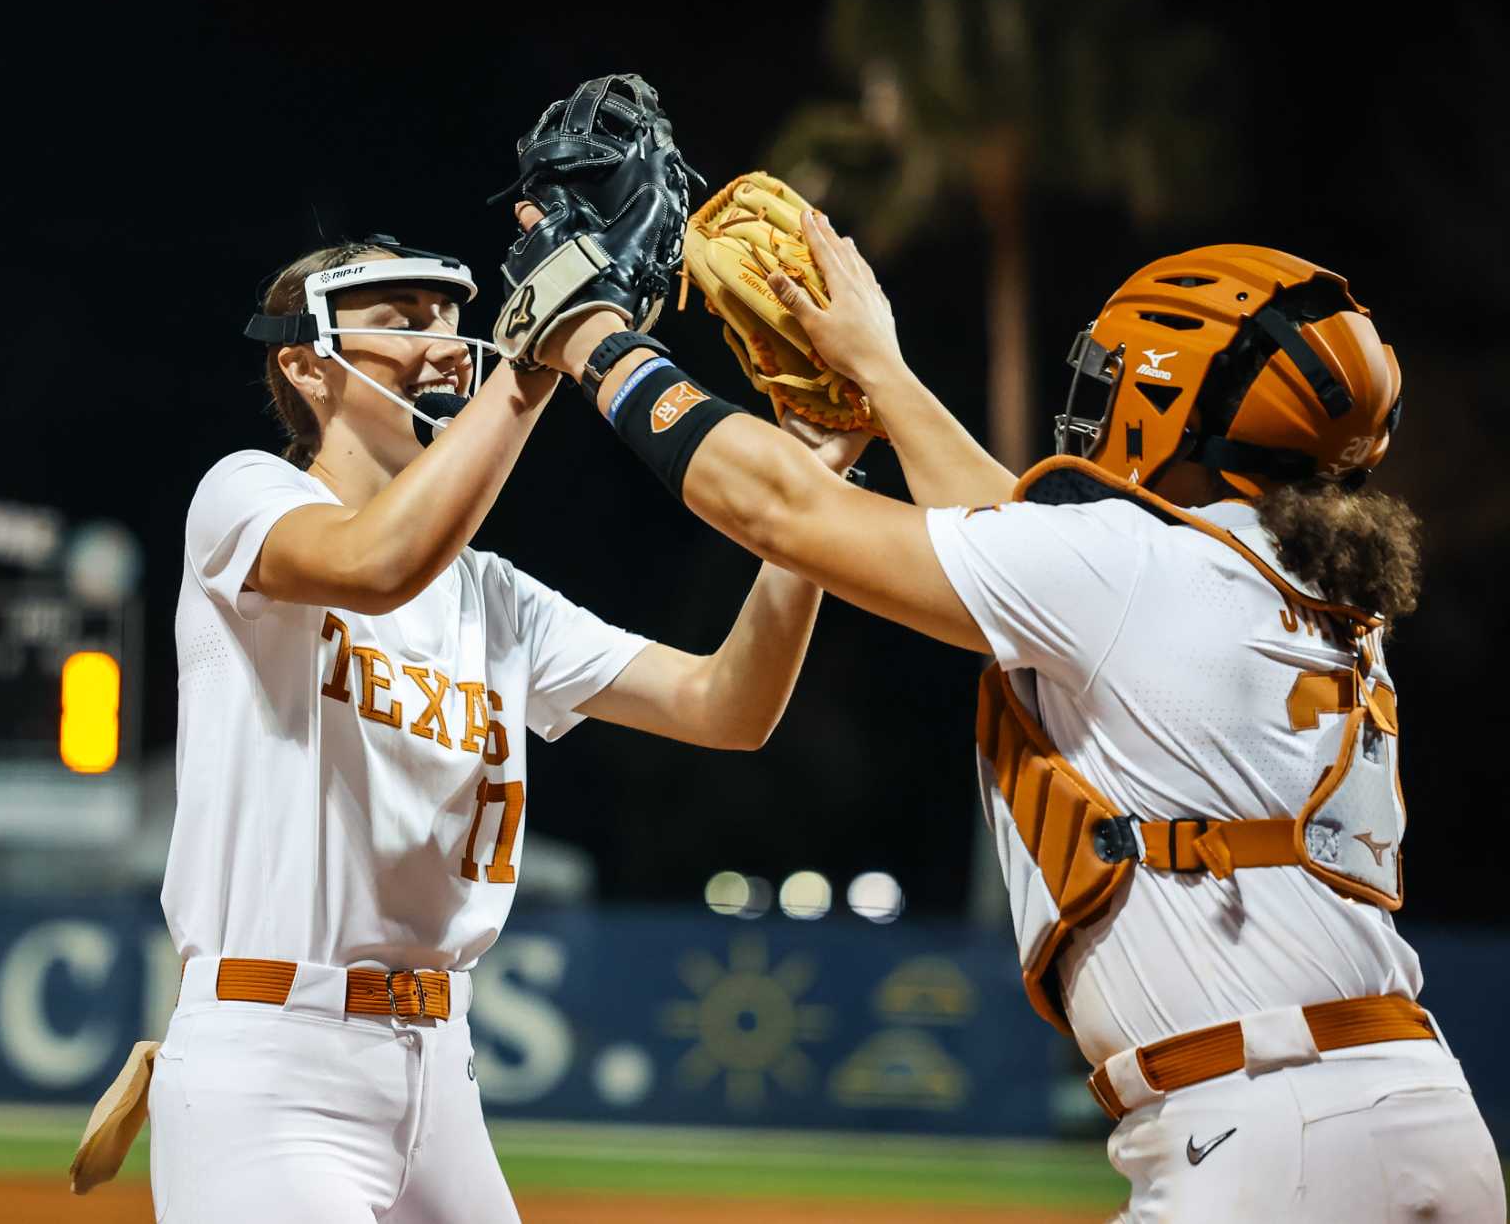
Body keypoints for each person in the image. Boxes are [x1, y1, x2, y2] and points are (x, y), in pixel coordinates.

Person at [513, 203, 1504, 1221]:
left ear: (1171, 400)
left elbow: (776, 509)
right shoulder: (1283, 581)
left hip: (1268, 1135)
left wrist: (588, 332)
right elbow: (1016, 541)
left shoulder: (1139, 573)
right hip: (1401, 1116)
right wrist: (882, 379)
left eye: (1120, 376)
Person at [153, 234, 863, 1222]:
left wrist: (815, 501)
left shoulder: (490, 599)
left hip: (440, 1072)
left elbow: (727, 707)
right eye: (399, 324)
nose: (443, 343)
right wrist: (533, 368)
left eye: (447, 318)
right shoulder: (247, 496)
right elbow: (373, 562)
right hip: (275, 1061)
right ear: (305, 365)